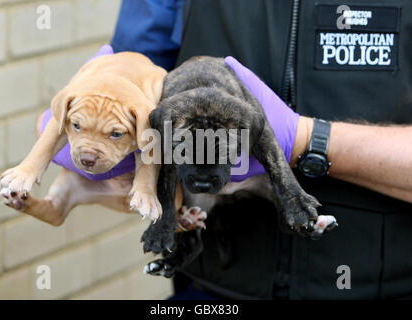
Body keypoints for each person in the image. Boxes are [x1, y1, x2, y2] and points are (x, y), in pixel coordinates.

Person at [108, 0, 412, 299]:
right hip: (211, 284)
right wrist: (96, 122)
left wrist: (309, 139)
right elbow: (132, 77)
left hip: (380, 282)